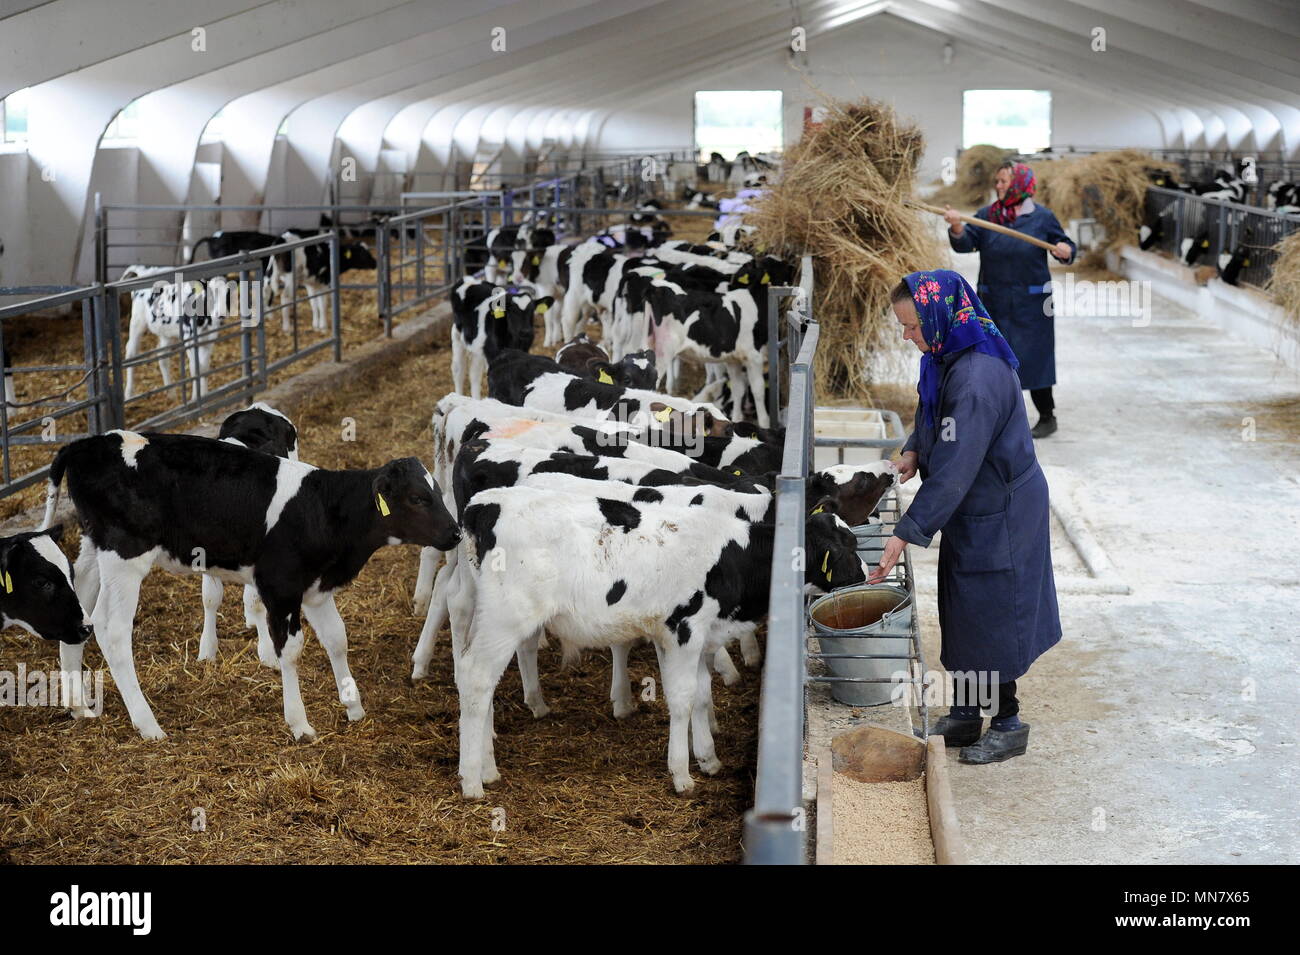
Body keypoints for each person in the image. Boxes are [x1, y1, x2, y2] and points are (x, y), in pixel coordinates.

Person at [871, 269, 1061, 764]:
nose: (908, 337)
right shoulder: (945, 355)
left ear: (937, 316)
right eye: (902, 327)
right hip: (972, 504)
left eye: (912, 326)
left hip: (999, 509)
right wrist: (914, 449)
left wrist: (905, 532)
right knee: (965, 606)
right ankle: (967, 711)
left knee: (994, 612)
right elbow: (932, 414)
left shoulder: (977, 379)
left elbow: (955, 468)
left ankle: (1007, 722)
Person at [944, 160, 1076, 438]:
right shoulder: (987, 215)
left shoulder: (1042, 217)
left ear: (1019, 185)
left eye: (1004, 181)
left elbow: (1065, 246)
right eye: (998, 181)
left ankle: (1046, 415)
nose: (999, 186)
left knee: (1035, 357)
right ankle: (994, 418)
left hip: (1033, 303)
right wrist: (957, 227)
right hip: (994, 299)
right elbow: (966, 243)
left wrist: (1065, 249)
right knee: (993, 359)